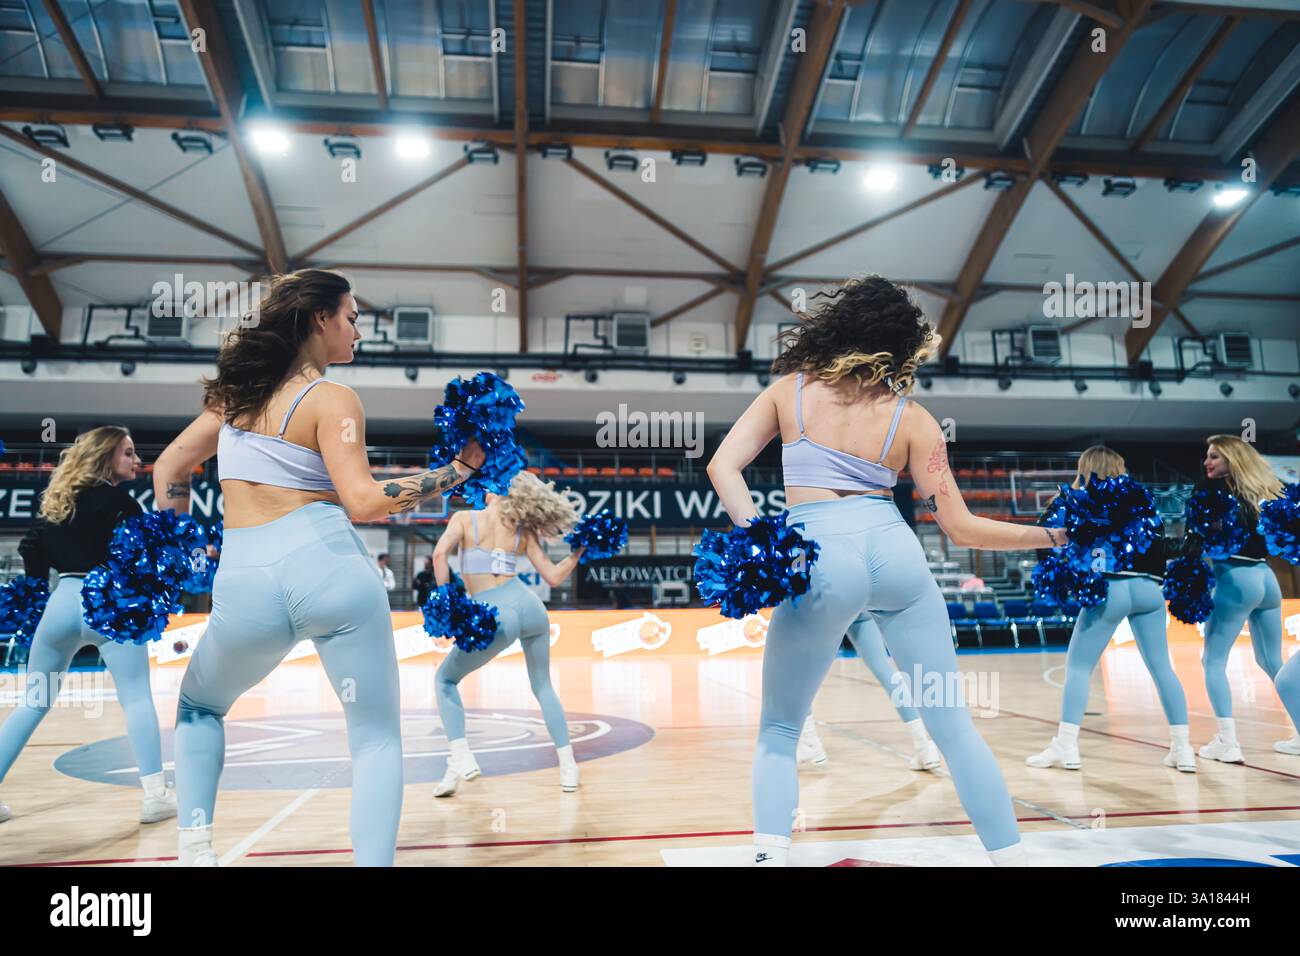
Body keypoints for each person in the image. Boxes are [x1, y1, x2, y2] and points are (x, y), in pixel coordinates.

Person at [706, 275, 1071, 867]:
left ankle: (770, 858)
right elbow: (962, 527)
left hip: (820, 556)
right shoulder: (915, 419)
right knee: (954, 730)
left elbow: (724, 467)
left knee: (779, 731)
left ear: (837, 323)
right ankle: (1013, 860)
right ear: (904, 343)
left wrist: (759, 538)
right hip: (898, 555)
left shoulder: (790, 391)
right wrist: (1054, 534)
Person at [151, 269, 484, 866]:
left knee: (199, 708)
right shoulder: (333, 399)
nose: (359, 330)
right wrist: (458, 470)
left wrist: (177, 542)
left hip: (245, 580)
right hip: (329, 572)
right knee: (376, 738)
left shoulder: (234, 399)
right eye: (352, 317)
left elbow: (170, 468)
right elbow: (362, 501)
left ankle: (195, 849)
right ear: (319, 319)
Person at [0, 426, 176, 826]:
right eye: (128, 453)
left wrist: (37, 595)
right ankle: (155, 796)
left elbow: (31, 549)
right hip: (108, 603)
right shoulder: (122, 504)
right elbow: (142, 564)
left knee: (32, 702)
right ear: (105, 457)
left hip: (60, 604)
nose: (137, 461)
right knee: (135, 697)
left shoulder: (58, 504)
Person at [1025, 446, 1193, 772]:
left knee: (1077, 668)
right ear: (1120, 467)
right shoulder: (1141, 501)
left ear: (1085, 468)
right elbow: (1162, 545)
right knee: (1162, 668)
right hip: (1149, 590)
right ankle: (1183, 749)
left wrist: (1072, 577)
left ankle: (1067, 746)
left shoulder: (1077, 499)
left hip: (1110, 589)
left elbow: (1045, 540)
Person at [430, 471, 585, 796]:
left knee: (445, 680)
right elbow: (554, 577)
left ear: (488, 492)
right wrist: (579, 551)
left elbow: (439, 554)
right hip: (530, 608)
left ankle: (461, 755)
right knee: (543, 686)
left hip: (495, 614)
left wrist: (446, 601)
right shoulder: (522, 529)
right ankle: (569, 767)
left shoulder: (465, 518)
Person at [1193, 435, 1298, 762]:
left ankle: (1228, 742)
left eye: (1215, 457)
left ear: (1233, 460)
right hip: (1266, 580)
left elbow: (1197, 543)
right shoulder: (1265, 493)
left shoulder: (1212, 494)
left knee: (1212, 660)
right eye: (1207, 457)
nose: (1207, 462)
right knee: (1271, 660)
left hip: (1234, 579)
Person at [797, 613, 942, 772]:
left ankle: (810, 743)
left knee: (800, 673)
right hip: (861, 603)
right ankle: (923, 746)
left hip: (829, 605)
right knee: (884, 669)